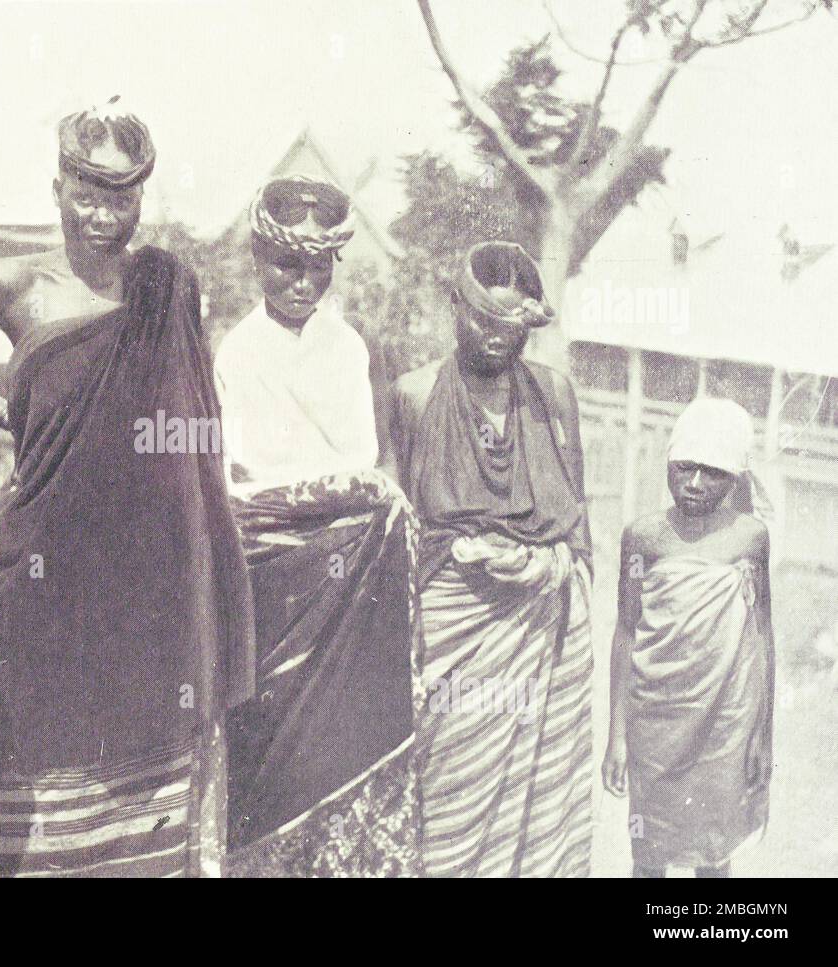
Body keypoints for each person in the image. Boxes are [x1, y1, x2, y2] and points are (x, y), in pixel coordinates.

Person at [0, 100, 255, 878]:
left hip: (142, 585)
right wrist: (8, 413)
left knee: (143, 772)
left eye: (122, 195)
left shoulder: (167, 288)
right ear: (56, 187)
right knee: (26, 749)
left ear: (142, 197)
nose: (103, 213)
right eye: (87, 191)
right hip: (39, 570)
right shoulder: (12, 285)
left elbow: (194, 442)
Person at [213, 176, 422, 877]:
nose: (302, 282)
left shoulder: (348, 349)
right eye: (286, 265)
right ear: (257, 258)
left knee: (340, 740)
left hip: (345, 560)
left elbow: (362, 464)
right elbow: (235, 480)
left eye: (318, 267)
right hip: (270, 573)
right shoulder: (237, 352)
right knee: (268, 743)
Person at [391, 241, 592, 877]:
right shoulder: (413, 395)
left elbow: (578, 524)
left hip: (540, 636)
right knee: (450, 807)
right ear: (455, 305)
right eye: (482, 319)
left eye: (511, 325)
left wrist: (545, 571)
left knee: (536, 816)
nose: (497, 338)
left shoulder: (554, 396)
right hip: (453, 639)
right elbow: (400, 536)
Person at [603, 397, 774, 878]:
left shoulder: (750, 539)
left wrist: (763, 735)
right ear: (669, 466)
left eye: (712, 472)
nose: (695, 483)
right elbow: (626, 629)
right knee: (648, 851)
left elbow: (763, 638)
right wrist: (617, 737)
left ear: (735, 477)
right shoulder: (643, 537)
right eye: (684, 468)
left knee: (713, 855)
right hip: (655, 722)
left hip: (725, 725)